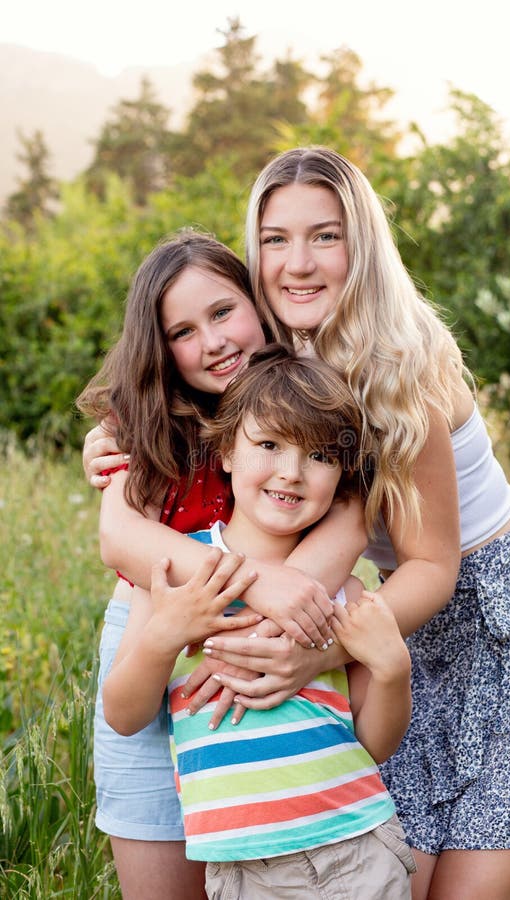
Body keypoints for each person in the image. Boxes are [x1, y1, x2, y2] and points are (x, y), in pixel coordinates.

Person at [84, 147, 510, 900]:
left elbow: (432, 563)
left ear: (362, 245)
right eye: (275, 239)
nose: (299, 262)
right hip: (403, 632)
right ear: (252, 253)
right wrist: (113, 439)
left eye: (326, 236)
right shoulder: (271, 363)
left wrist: (317, 653)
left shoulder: (403, 363)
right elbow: (130, 521)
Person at [77, 230, 367, 900]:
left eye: (222, 311)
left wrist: (262, 638)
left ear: (257, 303)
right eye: (182, 330)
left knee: (275, 858)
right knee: (156, 846)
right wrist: (255, 580)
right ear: (160, 348)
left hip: (278, 644)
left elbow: (351, 516)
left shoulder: (309, 397)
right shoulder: (143, 424)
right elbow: (118, 540)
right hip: (150, 641)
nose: (212, 342)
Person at [101, 344, 416, 899]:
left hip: (353, 849)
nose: (291, 473)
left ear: (342, 471)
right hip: (236, 867)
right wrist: (166, 635)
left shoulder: (340, 588)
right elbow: (124, 715)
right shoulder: (172, 572)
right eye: (268, 445)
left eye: (319, 456)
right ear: (225, 451)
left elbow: (375, 743)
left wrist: (393, 671)